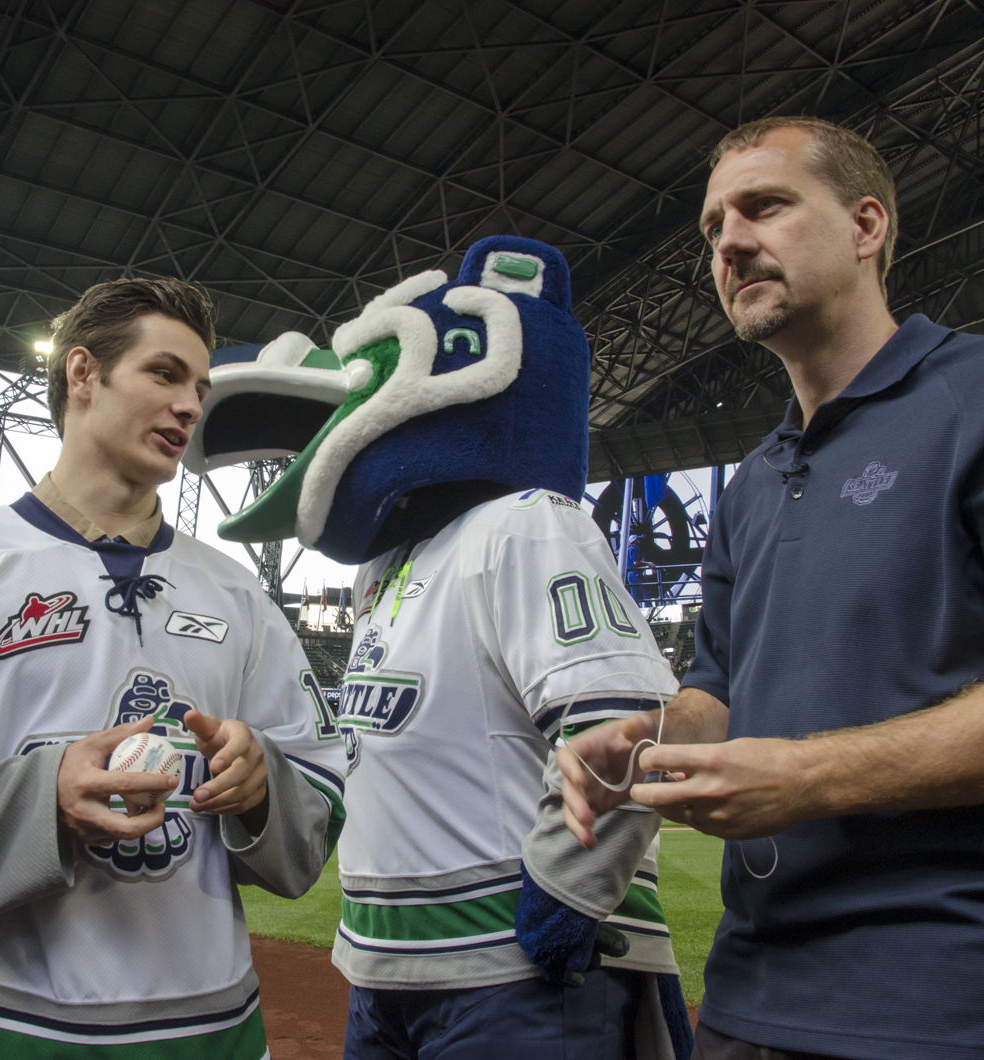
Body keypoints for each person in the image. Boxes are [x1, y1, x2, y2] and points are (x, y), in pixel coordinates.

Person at [559, 115, 984, 1060]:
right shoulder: (752, 483)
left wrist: (809, 776)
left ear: (866, 227)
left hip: (970, 1002)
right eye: (712, 228)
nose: (729, 241)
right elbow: (721, 692)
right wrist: (649, 735)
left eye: (764, 206)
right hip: (750, 998)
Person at [0, 277, 348, 1060]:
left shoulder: (239, 593)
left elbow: (321, 787)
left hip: (207, 1032)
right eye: (164, 375)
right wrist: (47, 795)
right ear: (83, 375)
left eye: (199, 388)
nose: (191, 407)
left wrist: (262, 782)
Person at [190, 235, 695, 1059]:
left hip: (512, 975)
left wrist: (562, 897)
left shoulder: (528, 521)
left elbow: (617, 719)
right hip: (385, 970)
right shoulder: (386, 566)